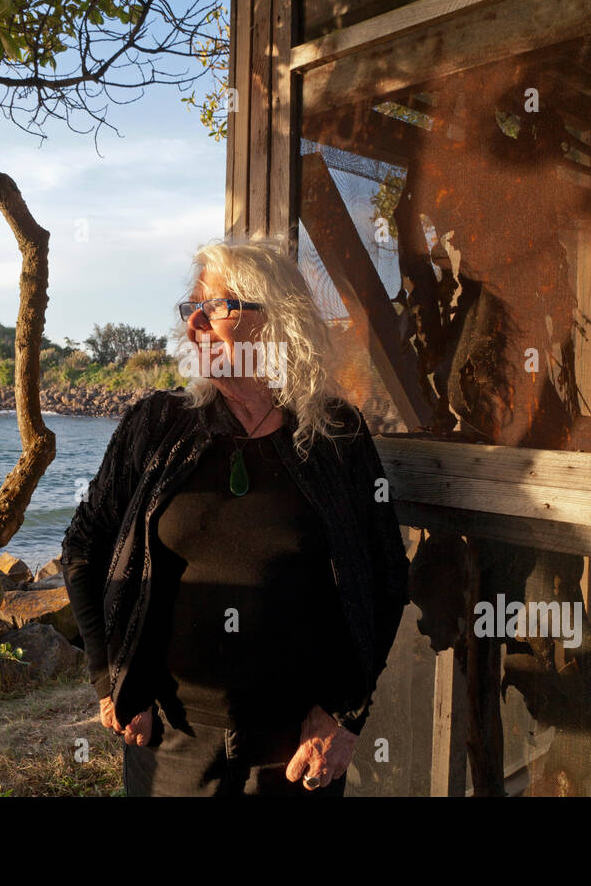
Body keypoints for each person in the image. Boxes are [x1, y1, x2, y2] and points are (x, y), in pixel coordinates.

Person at [60, 238, 410, 796]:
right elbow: (84, 546)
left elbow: (386, 574)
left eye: (217, 305)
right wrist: (114, 683)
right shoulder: (156, 426)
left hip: (294, 751)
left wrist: (343, 716)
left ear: (275, 320)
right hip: (170, 744)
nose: (195, 319)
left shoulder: (336, 436)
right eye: (191, 307)